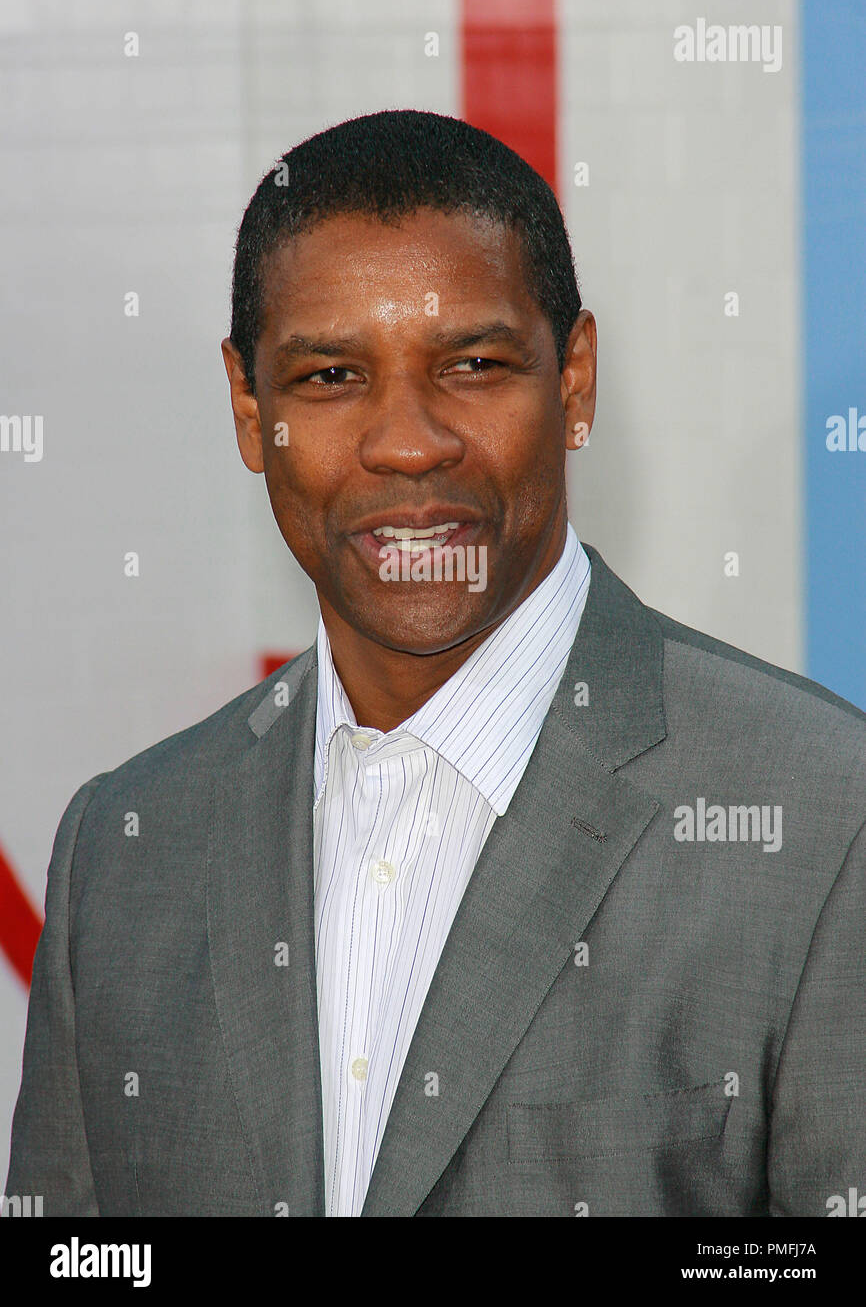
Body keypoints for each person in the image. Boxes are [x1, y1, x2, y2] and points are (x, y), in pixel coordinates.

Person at [6, 110, 866, 1217]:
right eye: (327, 375)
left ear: (573, 381)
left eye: (471, 363)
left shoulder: (817, 817)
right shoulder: (126, 853)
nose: (407, 440)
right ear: (244, 405)